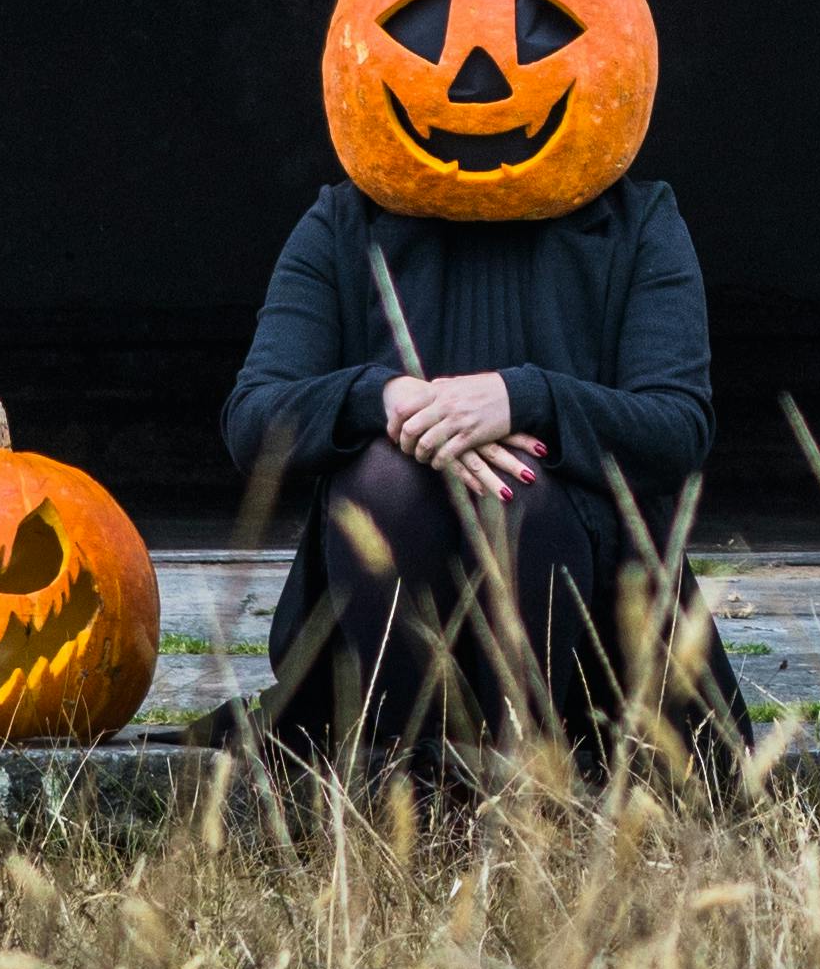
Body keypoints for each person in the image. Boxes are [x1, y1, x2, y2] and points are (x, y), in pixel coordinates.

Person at [222, 153, 739, 777]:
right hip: (389, 594)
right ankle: (405, 777)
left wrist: (526, 398)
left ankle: (531, 775)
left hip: (590, 626)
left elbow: (678, 427)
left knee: (524, 502)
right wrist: (384, 399)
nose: (478, 74)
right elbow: (254, 420)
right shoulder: (342, 221)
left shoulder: (640, 219)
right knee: (382, 482)